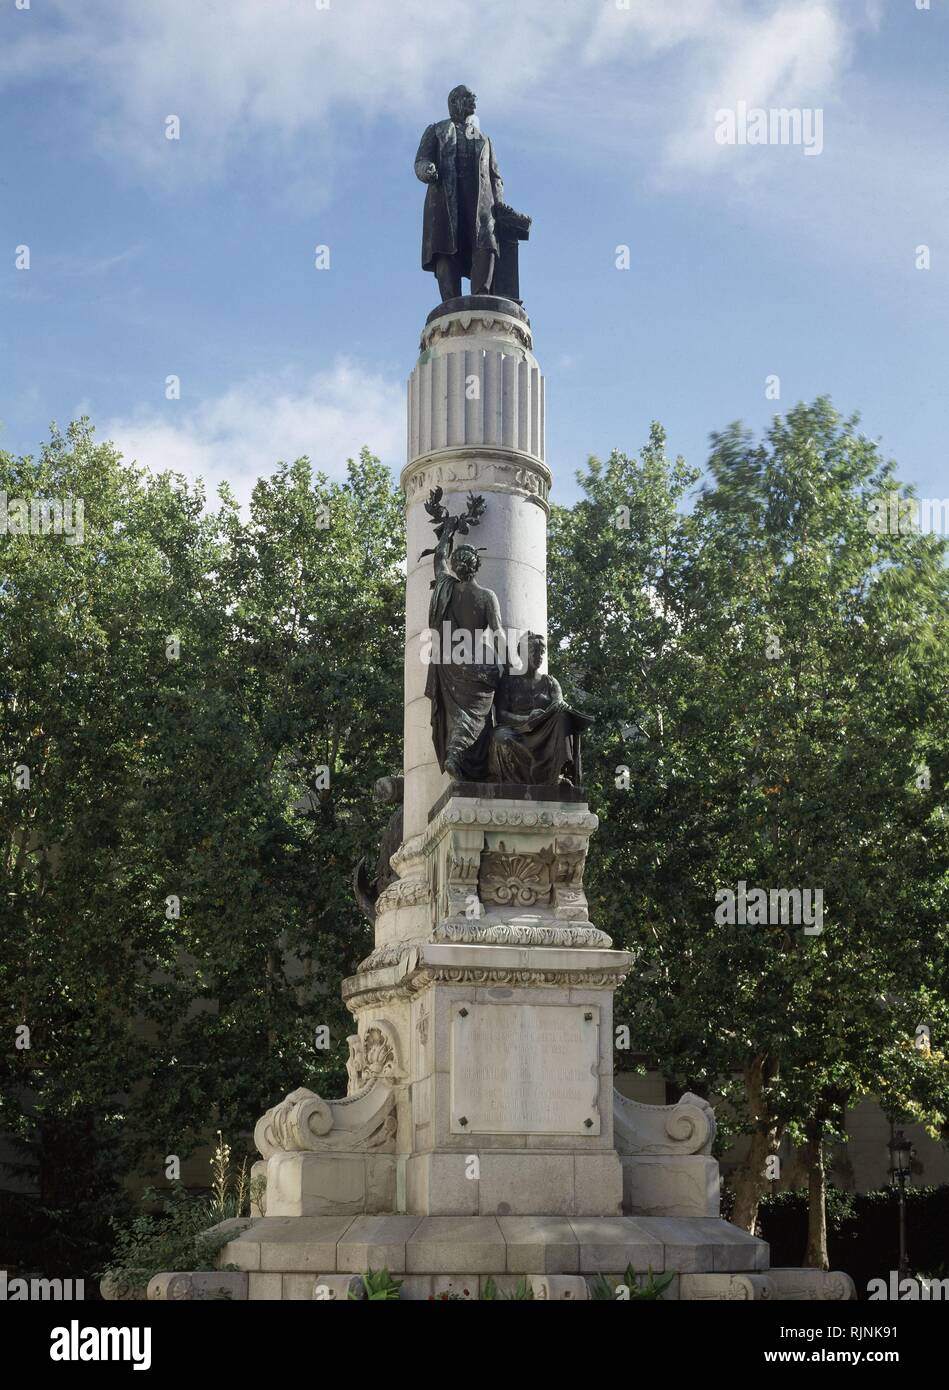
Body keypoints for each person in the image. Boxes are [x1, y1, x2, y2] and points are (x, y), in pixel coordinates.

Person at [415, 85, 504, 301]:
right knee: (445, 247)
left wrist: (500, 204)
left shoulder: (484, 139)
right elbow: (421, 160)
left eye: (474, 97)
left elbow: (494, 176)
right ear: (454, 102)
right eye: (468, 97)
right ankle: (451, 302)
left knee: (485, 244)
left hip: (480, 203)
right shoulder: (437, 130)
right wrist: (427, 170)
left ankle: (482, 299)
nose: (473, 100)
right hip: (446, 199)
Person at [489, 633, 592, 785]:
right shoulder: (509, 680)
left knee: (562, 717)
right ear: (522, 654)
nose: (540, 656)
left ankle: (558, 774)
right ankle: (518, 785)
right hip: (517, 730)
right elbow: (500, 714)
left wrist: (560, 708)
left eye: (542, 652)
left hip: (545, 732)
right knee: (500, 737)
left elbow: (559, 705)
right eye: (535, 652)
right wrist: (527, 719)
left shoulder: (550, 682)